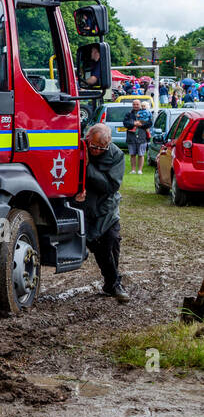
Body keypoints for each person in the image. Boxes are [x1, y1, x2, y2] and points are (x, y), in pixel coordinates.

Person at [77, 123, 128, 303]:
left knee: (111, 241)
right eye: (94, 146)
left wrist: (89, 168)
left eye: (101, 148)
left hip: (107, 207)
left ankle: (113, 283)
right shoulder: (78, 147)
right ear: (88, 137)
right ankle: (113, 283)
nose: (97, 150)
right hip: (84, 206)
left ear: (109, 144)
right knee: (98, 246)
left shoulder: (116, 155)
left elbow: (111, 186)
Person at [124, 99, 151, 174]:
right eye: (134, 104)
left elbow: (150, 123)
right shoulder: (129, 114)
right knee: (132, 154)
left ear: (140, 105)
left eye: (137, 104)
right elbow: (125, 123)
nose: (135, 106)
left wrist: (141, 125)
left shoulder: (146, 113)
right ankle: (133, 170)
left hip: (142, 137)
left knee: (141, 154)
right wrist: (133, 124)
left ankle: (140, 170)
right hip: (131, 137)